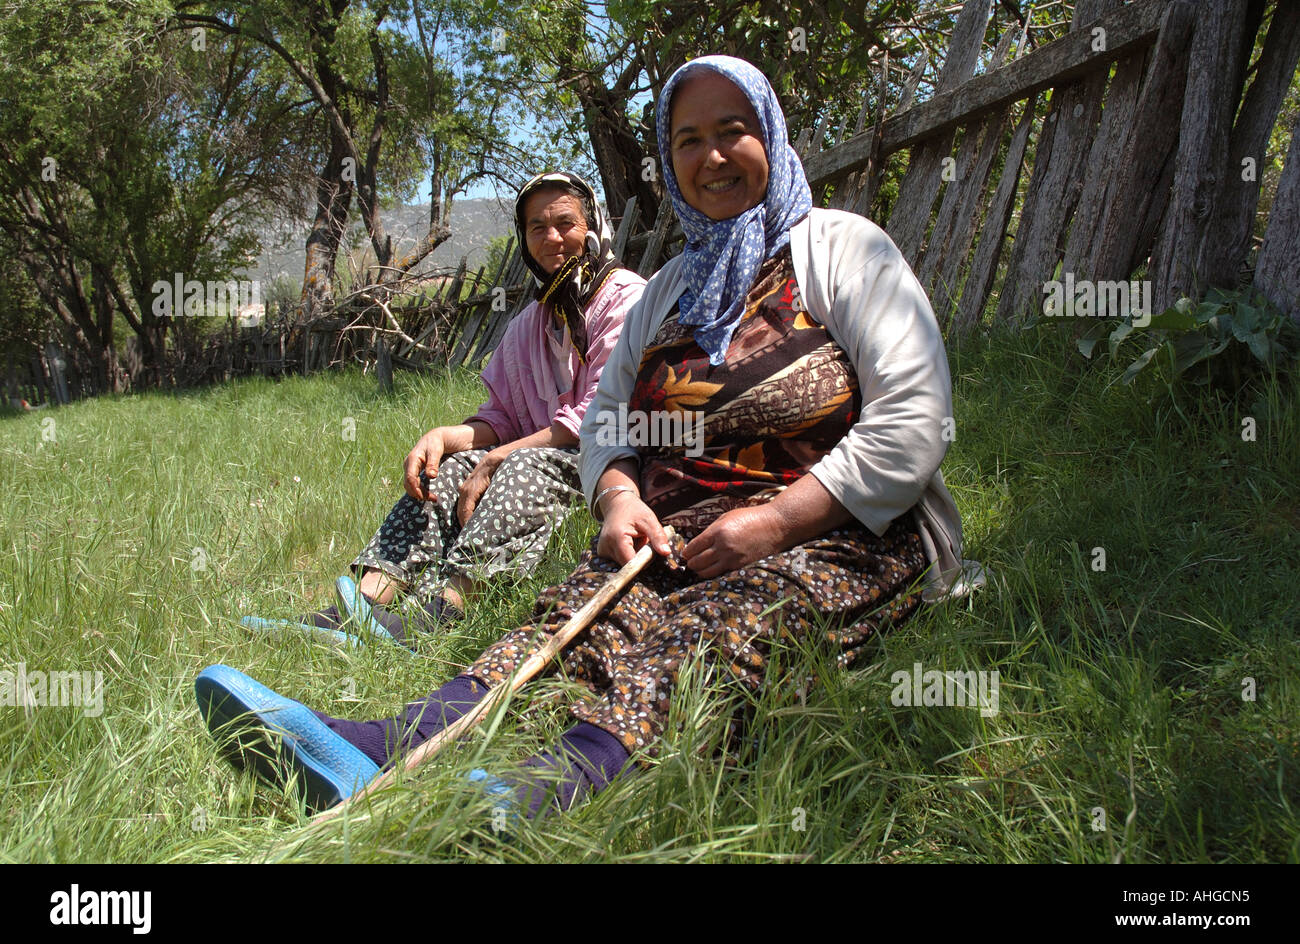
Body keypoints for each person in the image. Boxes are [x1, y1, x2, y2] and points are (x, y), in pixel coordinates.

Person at [195, 56, 979, 818]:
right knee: (568, 624)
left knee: (736, 618)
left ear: (769, 136)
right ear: (669, 163)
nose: (710, 156)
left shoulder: (845, 249)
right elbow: (607, 421)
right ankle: (369, 745)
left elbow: (913, 417)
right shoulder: (669, 291)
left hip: (834, 531)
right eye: (687, 140)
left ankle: (545, 791)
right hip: (672, 534)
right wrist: (617, 496)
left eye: (731, 130)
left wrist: (774, 523)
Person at [241, 171, 646, 649]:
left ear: (592, 226)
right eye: (537, 227)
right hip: (542, 452)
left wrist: (497, 458)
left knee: (519, 463)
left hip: (604, 465)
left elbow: (594, 418)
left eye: (565, 223)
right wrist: (443, 437)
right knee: (448, 469)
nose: (552, 237)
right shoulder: (529, 326)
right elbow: (500, 417)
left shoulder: (624, 298)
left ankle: (439, 616)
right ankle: (363, 606)